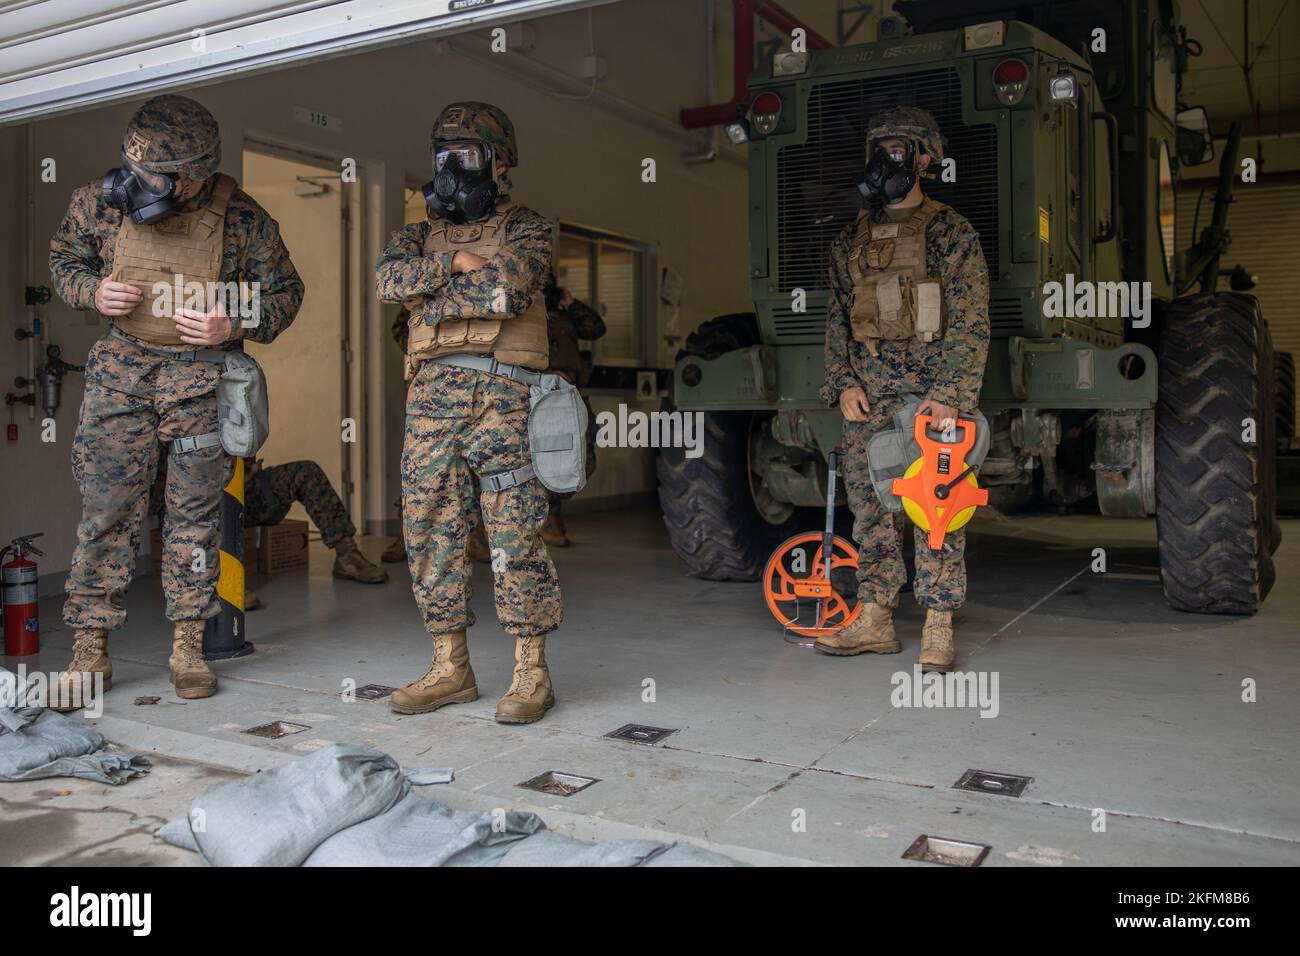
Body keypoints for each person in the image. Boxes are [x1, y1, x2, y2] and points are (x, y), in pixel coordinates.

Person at [48, 94, 303, 708]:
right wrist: (91, 291)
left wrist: (233, 320)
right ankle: (90, 653)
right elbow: (64, 260)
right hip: (121, 376)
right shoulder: (99, 202)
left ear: (194, 173)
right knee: (106, 513)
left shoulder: (243, 220)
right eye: (133, 167)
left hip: (199, 382)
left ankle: (187, 646)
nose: (138, 183)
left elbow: (287, 294)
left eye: (155, 176)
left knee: (194, 521)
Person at [376, 101, 561, 724]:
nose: (451, 169)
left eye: (467, 156)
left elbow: (508, 289)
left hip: (503, 397)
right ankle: (450, 666)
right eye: (442, 156)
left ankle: (531, 670)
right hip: (431, 399)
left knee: (513, 532)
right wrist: (452, 262)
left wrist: (430, 290)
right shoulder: (416, 233)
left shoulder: (529, 227)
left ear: (500, 163)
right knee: (429, 529)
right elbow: (385, 281)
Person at [816, 106, 990, 672]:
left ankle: (938, 623)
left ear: (924, 160)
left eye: (898, 149)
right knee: (870, 513)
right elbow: (838, 320)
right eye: (879, 148)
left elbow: (971, 321)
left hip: (932, 398)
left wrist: (951, 394)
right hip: (867, 396)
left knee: (936, 507)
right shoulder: (850, 240)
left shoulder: (951, 232)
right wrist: (842, 383)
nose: (886, 158)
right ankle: (875, 616)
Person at [539, 273, 605, 546]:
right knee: (538, 457)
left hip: (570, 393)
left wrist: (570, 302)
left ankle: (549, 505)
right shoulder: (518, 308)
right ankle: (541, 515)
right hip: (538, 392)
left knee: (584, 458)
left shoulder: (560, 309)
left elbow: (596, 328)